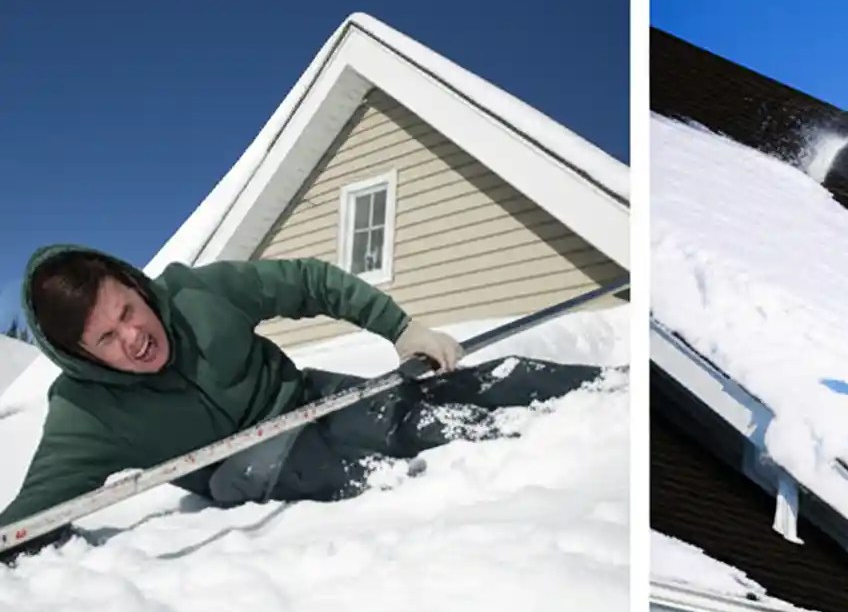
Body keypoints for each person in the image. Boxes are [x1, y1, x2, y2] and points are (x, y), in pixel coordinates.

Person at [0, 245, 609, 557]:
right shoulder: (86, 412)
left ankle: (602, 388)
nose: (133, 337)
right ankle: (521, 460)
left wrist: (401, 330)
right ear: (82, 357)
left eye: (127, 311)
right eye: (107, 339)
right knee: (404, 452)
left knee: (434, 399)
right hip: (249, 466)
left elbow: (309, 282)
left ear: (136, 286)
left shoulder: (196, 295)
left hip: (309, 396)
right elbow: (37, 509)